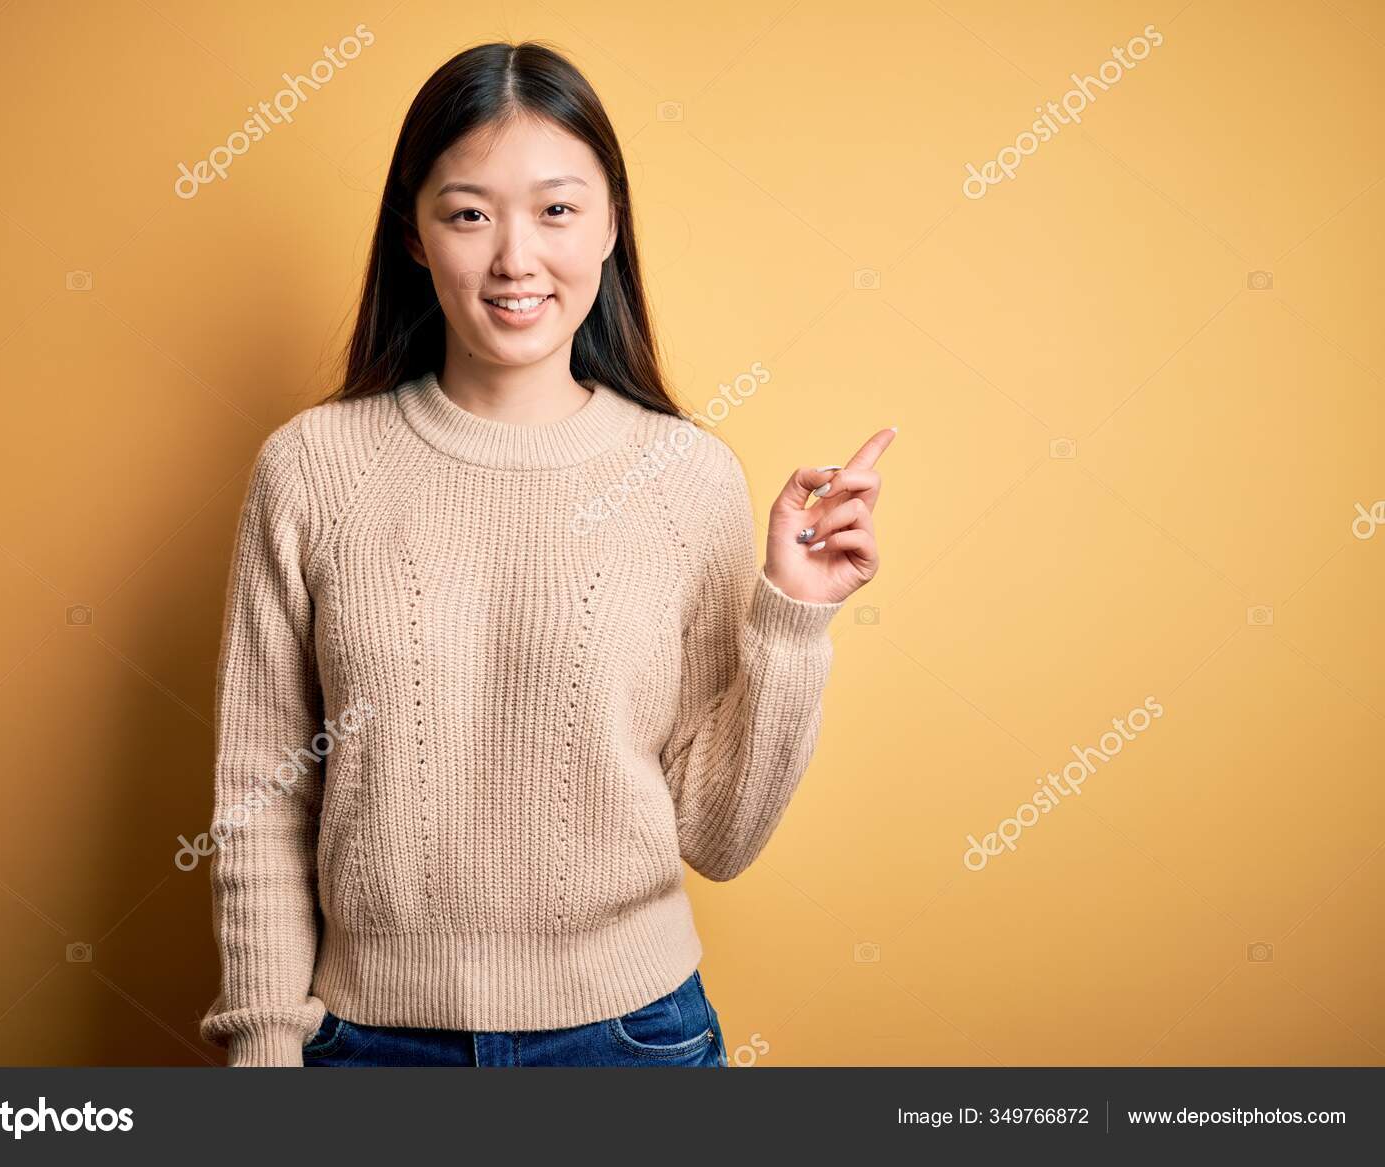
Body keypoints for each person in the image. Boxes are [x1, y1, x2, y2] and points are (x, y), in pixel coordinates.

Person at [198, 40, 895, 1068]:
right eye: (469, 212)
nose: (515, 259)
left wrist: (791, 618)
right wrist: (264, 1053)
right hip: (367, 1044)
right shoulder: (311, 469)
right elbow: (260, 793)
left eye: (557, 210)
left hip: (632, 1040)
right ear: (414, 235)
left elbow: (719, 836)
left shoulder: (684, 477)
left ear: (611, 223)